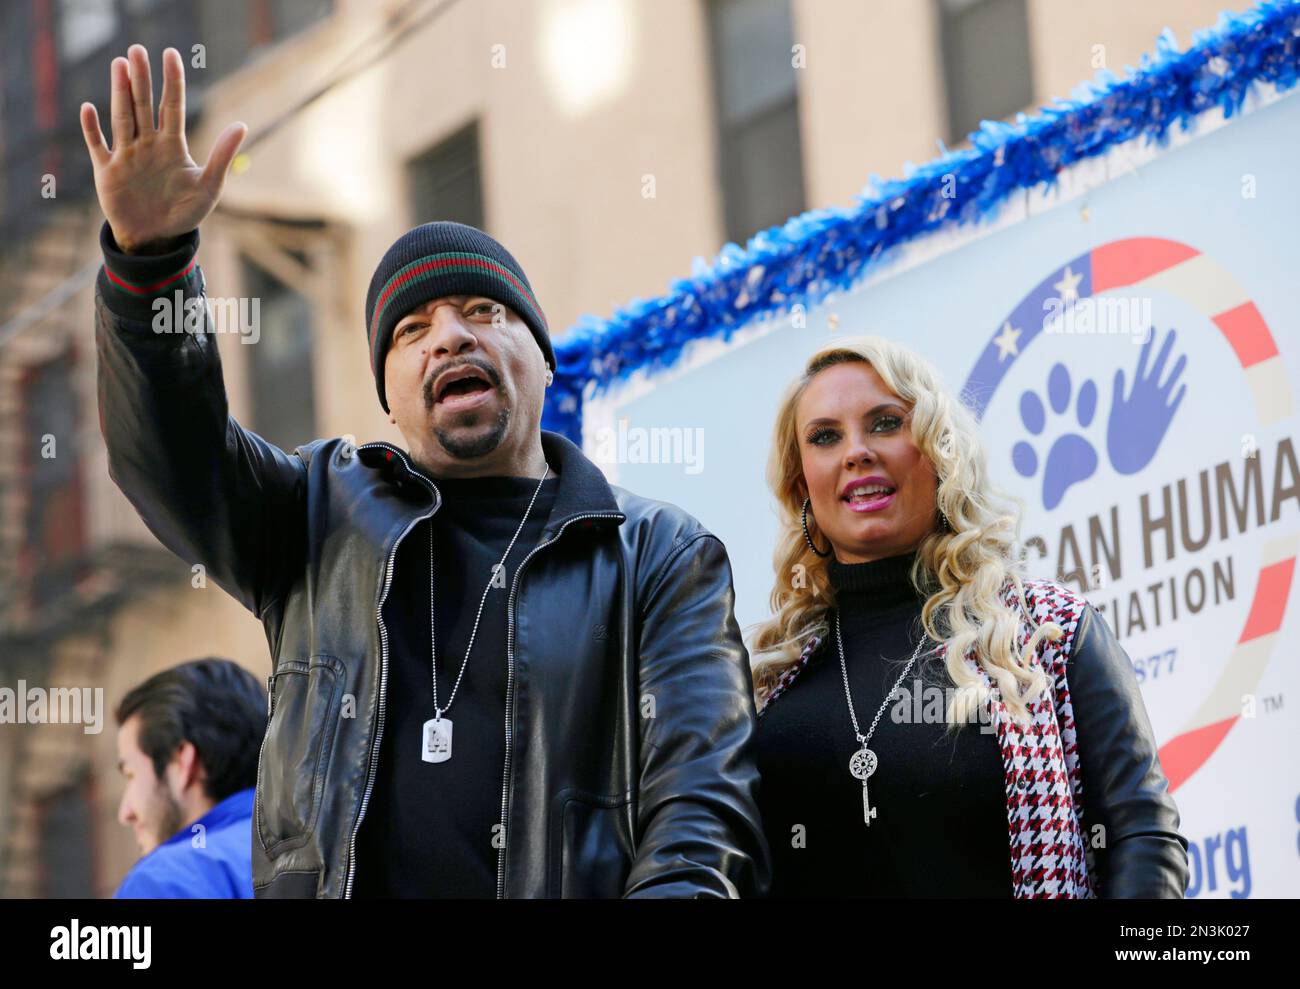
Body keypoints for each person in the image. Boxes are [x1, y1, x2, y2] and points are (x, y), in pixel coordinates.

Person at [83, 44, 768, 898]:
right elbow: (173, 458)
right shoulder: (314, 514)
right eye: (412, 330)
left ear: (544, 361)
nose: (449, 335)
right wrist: (151, 265)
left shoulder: (660, 557)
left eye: (484, 311)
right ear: (392, 400)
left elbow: (701, 819)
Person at [749, 335, 1188, 898]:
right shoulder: (764, 686)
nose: (855, 451)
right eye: (825, 437)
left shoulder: (1047, 633)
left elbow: (1142, 836)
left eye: (885, 423)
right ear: (800, 481)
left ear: (939, 450)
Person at [114, 658, 265, 898]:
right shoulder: (321, 854)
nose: (125, 813)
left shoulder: (165, 880)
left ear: (182, 762)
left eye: (131, 774)